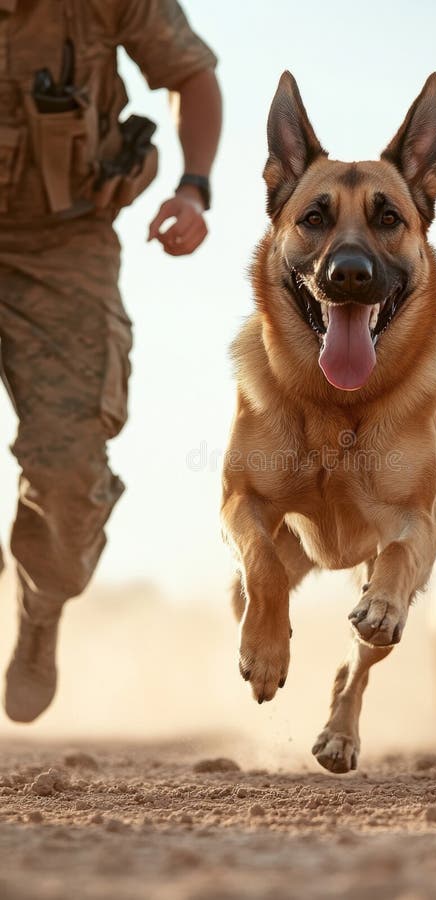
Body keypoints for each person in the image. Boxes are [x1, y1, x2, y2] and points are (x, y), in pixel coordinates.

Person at [0, 0, 222, 722]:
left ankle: (42, 607)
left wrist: (193, 188)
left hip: (64, 249)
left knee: (69, 472)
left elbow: (192, 74)